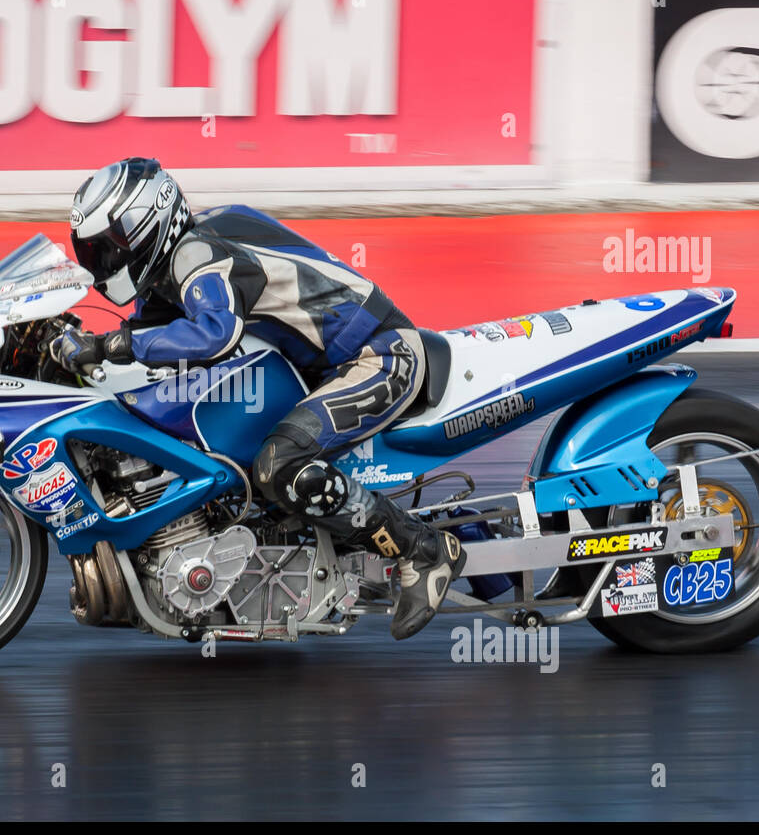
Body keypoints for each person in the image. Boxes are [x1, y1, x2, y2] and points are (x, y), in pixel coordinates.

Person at [50, 157, 465, 640]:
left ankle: (426, 551)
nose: (99, 263)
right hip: (317, 370)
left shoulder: (197, 255)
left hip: (380, 355)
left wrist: (109, 346)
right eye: (90, 252)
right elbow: (147, 342)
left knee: (279, 465)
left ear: (145, 226)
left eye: (106, 249)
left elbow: (214, 333)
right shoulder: (168, 269)